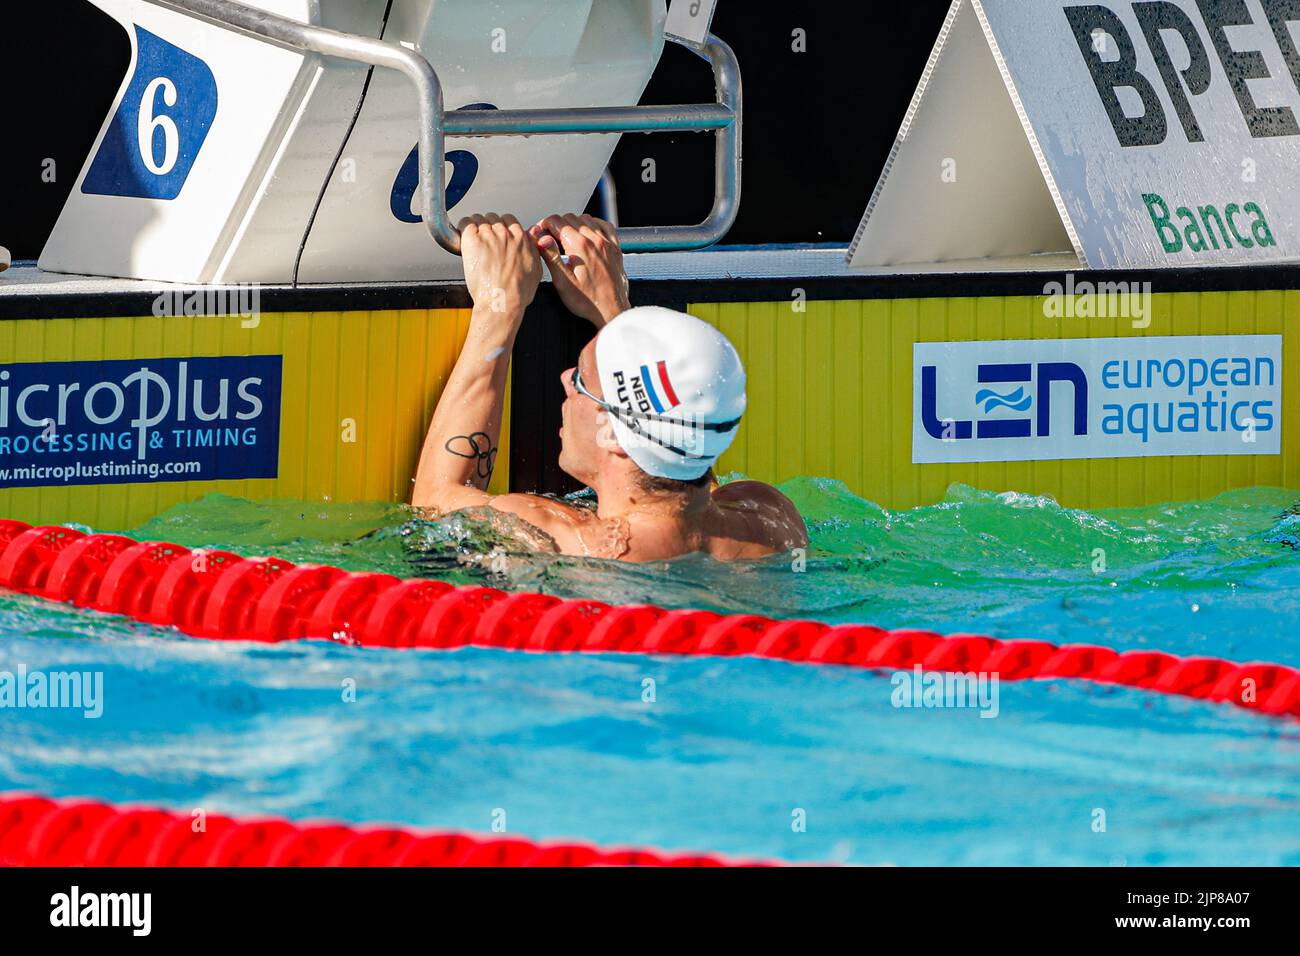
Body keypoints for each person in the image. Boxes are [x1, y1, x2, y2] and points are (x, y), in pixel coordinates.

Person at [411, 213, 807, 562]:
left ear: (616, 433)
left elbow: (435, 499)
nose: (566, 380)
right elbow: (682, 439)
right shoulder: (771, 521)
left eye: (582, 380)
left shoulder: (565, 540)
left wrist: (499, 310)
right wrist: (613, 309)